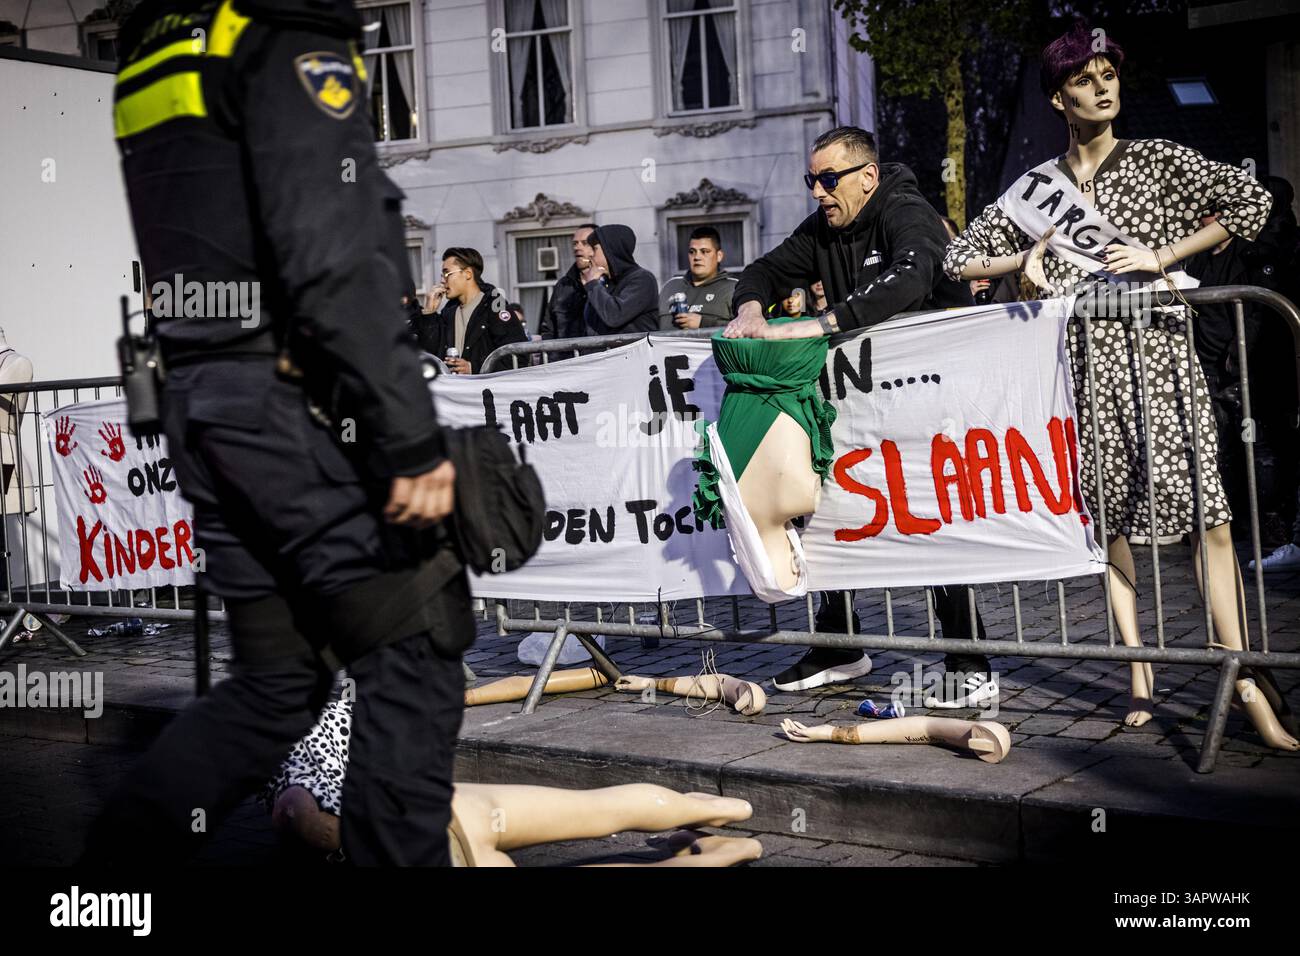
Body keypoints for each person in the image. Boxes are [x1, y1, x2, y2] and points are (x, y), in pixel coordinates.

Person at [83, 0, 478, 865]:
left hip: (206, 403)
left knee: (279, 685)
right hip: (292, 409)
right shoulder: (282, 24)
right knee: (416, 648)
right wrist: (408, 435)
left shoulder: (160, 38)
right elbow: (329, 246)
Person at [944, 23, 1296, 748]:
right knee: (1110, 522)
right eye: (1084, 79)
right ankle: (1138, 670)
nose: (1103, 87)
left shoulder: (1161, 158)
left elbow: (1252, 203)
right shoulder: (1034, 189)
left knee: (1209, 516)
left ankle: (1246, 678)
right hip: (1085, 369)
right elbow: (958, 257)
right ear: (1058, 97)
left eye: (1109, 74)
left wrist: (1164, 253)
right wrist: (1027, 260)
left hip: (1162, 359)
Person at [723, 125, 992, 703]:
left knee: (928, 520)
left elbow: (915, 274)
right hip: (857, 405)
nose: (817, 192)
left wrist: (820, 324)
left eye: (827, 179)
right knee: (828, 511)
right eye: (810, 180)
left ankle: (969, 660)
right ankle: (840, 644)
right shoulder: (823, 224)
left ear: (866, 177)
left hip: (928, 406)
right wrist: (749, 305)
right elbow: (765, 271)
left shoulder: (904, 209)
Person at [414, 248, 527, 374]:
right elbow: (431, 354)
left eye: (447, 273)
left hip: (485, 391)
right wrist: (429, 313)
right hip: (454, 391)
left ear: (468, 273)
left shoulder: (496, 307)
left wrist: (474, 368)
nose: (442, 280)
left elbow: (518, 357)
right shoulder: (448, 312)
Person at [581, 224, 660, 334]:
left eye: (595, 249)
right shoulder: (604, 283)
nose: (590, 255)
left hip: (633, 350)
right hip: (606, 351)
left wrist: (593, 285)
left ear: (611, 250)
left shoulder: (642, 279)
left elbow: (615, 316)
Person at [658, 226, 738, 330]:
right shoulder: (670, 286)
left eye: (704, 251)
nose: (697, 257)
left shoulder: (734, 289)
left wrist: (703, 323)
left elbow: (747, 330)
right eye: (692, 252)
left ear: (719, 256)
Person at [538, 223, 598, 341]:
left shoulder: (611, 281)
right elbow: (549, 328)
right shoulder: (563, 285)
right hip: (567, 357)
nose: (577, 247)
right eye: (575, 243)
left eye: (584, 243)